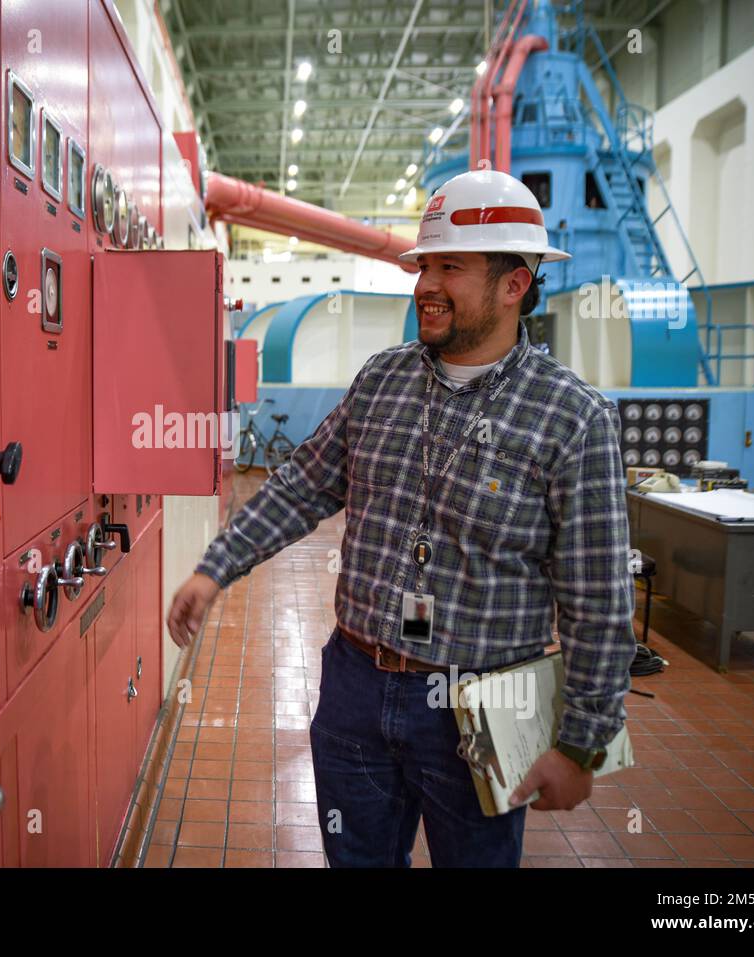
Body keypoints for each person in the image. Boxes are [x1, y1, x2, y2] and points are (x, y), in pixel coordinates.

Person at [166, 169, 636, 868]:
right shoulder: (382, 380)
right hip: (357, 686)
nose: (425, 284)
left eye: (451, 267)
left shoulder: (573, 418)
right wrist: (215, 567)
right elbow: (303, 486)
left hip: (480, 706)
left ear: (515, 284)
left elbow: (597, 597)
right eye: (423, 265)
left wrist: (581, 741)